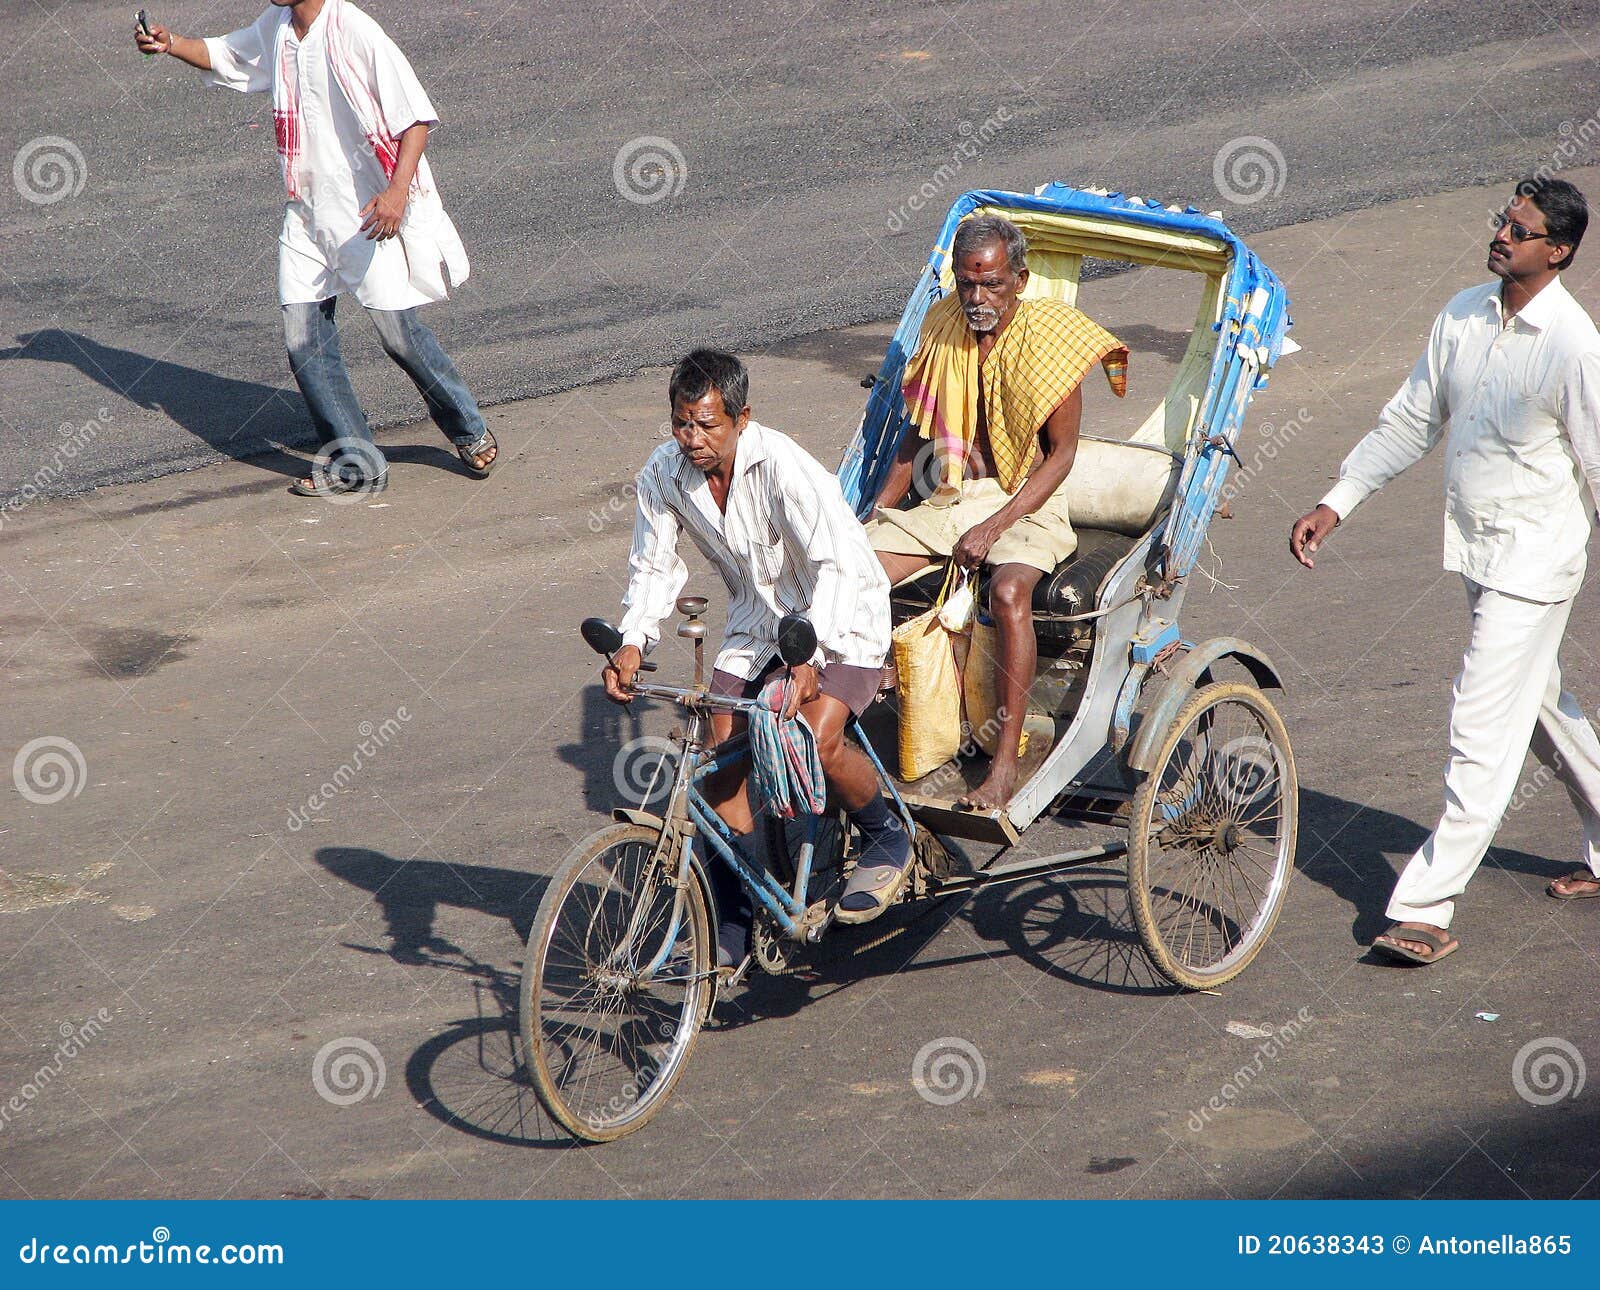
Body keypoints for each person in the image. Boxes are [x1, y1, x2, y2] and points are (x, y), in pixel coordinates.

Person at [1290, 175, 1600, 965]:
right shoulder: (1463, 313)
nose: (1502, 235)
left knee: (1481, 726)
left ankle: (1424, 904)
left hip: (1537, 558)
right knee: (1539, 709)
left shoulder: (1573, 345)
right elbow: (1412, 419)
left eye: (1521, 230)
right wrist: (1339, 499)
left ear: (1557, 251)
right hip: (1479, 548)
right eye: (1503, 221)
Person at [603, 350, 907, 959]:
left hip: (842, 614)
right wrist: (633, 640)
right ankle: (739, 914)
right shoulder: (663, 474)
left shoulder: (781, 464)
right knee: (719, 760)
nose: (692, 439)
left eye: (707, 424)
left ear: (743, 417)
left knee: (814, 736)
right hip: (756, 621)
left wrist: (811, 656)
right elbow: (653, 566)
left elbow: (835, 565)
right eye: (682, 423)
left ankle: (886, 836)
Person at [135, 2, 497, 496]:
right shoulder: (278, 27)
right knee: (303, 344)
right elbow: (230, 56)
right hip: (304, 214)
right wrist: (171, 43)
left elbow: (414, 118)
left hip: (366, 214)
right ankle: (357, 462)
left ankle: (468, 429)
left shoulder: (354, 29)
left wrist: (395, 193)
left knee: (400, 337)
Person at [867, 215, 1128, 809]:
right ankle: (866, 704)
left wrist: (995, 527)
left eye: (992, 285)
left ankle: (1004, 762)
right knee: (859, 567)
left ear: (1020, 279)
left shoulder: (1050, 341)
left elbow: (1060, 458)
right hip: (956, 495)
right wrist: (869, 512)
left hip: (1028, 502)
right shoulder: (942, 328)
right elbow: (915, 440)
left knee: (1009, 594)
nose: (977, 298)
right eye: (966, 284)